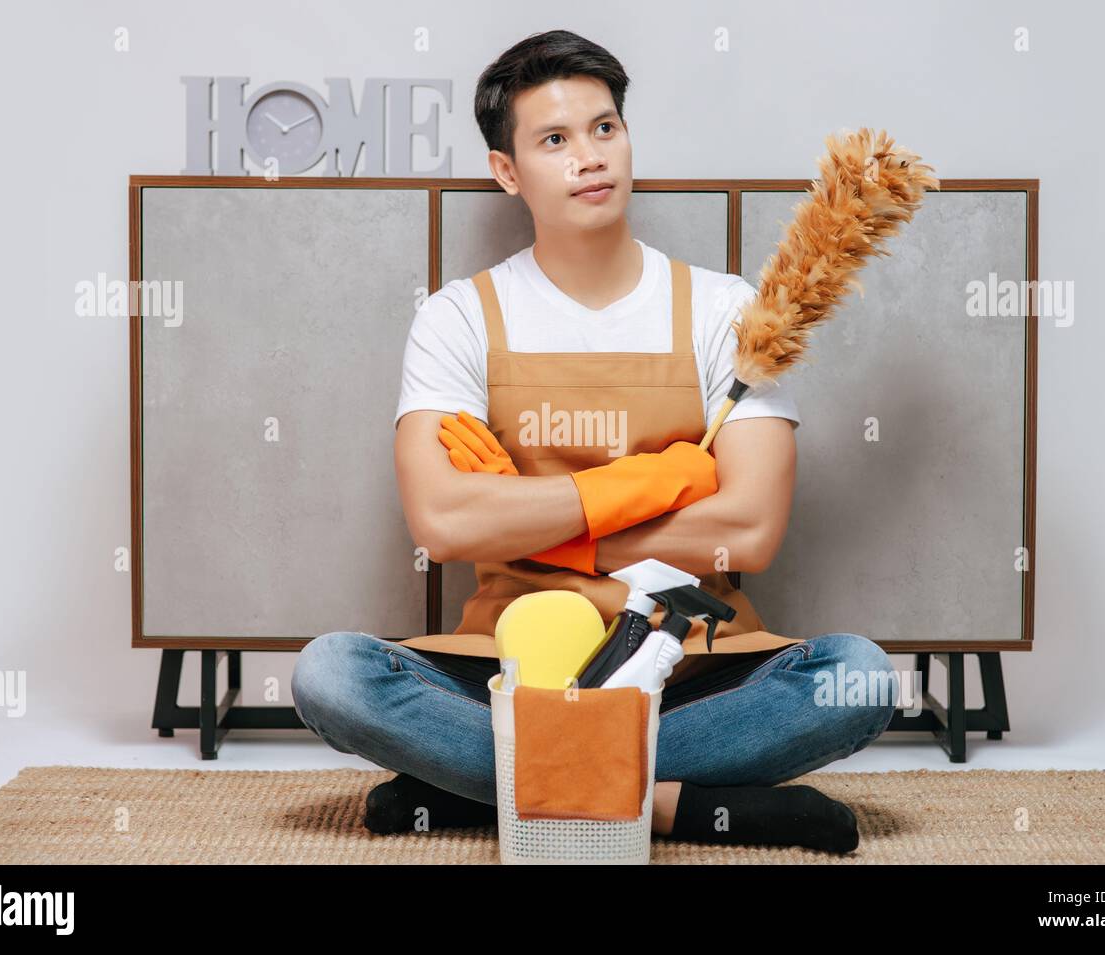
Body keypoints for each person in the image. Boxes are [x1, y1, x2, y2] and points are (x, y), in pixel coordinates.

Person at [293, 29, 897, 854]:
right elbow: (440, 522)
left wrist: (528, 518)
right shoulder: (458, 318)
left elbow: (748, 528)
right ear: (508, 172)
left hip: (689, 661)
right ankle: (668, 805)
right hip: (510, 666)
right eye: (554, 139)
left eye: (604, 128)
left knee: (856, 676)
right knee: (331, 673)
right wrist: (665, 481)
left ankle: (507, 788)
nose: (590, 157)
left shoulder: (725, 312)